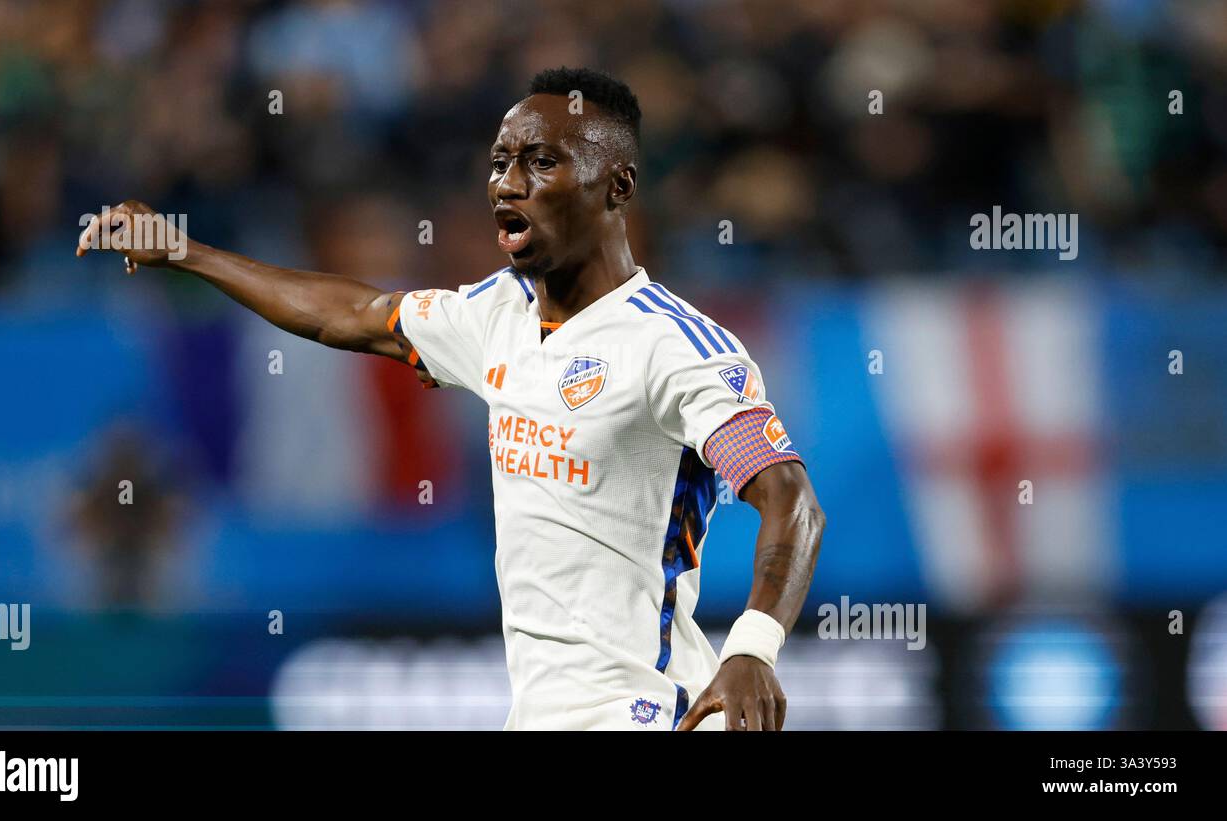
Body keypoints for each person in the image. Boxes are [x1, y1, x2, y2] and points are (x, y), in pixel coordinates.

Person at [76, 67, 825, 731]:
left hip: (644, 710)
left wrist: (754, 649)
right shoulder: (495, 315)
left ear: (617, 186)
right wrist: (186, 251)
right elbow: (349, 314)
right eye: (500, 163)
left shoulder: (678, 349)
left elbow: (789, 498)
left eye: (541, 161)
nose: (508, 182)